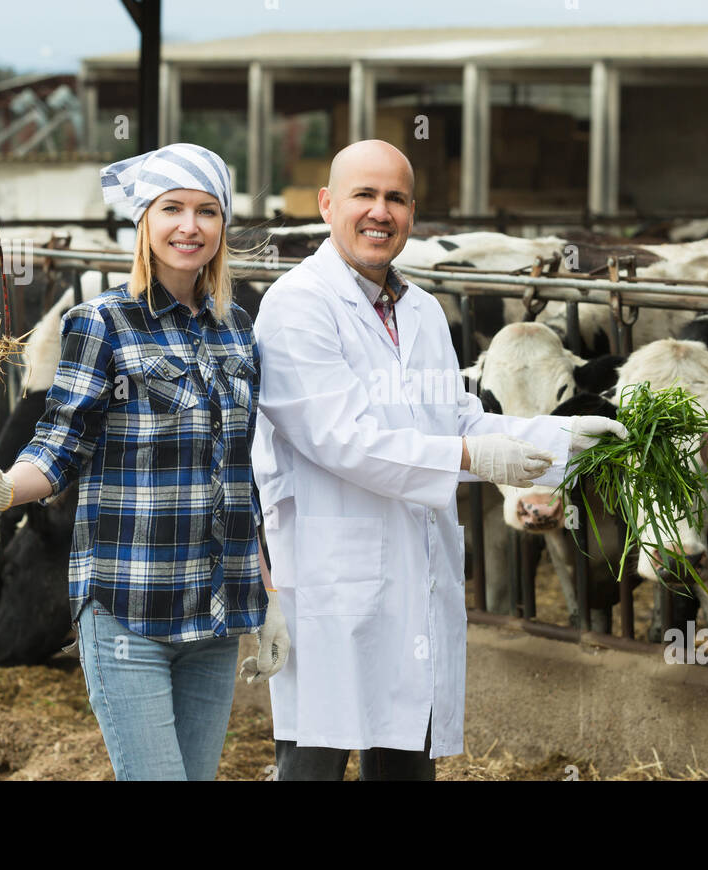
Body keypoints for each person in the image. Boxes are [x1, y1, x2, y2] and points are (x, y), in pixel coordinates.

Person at [250, 139, 625, 781]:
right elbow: (343, 439)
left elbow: (456, 419)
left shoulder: (421, 310)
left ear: (413, 213)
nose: (380, 212)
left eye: (395, 198)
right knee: (313, 761)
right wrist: (472, 454)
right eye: (363, 195)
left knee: (405, 761)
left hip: (413, 574)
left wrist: (566, 440)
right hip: (331, 574)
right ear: (326, 204)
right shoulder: (296, 307)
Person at [0, 143, 289, 781]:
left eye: (207, 211)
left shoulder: (238, 328)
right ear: (144, 223)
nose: (191, 226)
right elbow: (60, 444)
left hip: (216, 610)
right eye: (173, 208)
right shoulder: (100, 323)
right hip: (128, 606)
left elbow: (246, 471)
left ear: (223, 226)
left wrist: (269, 594)